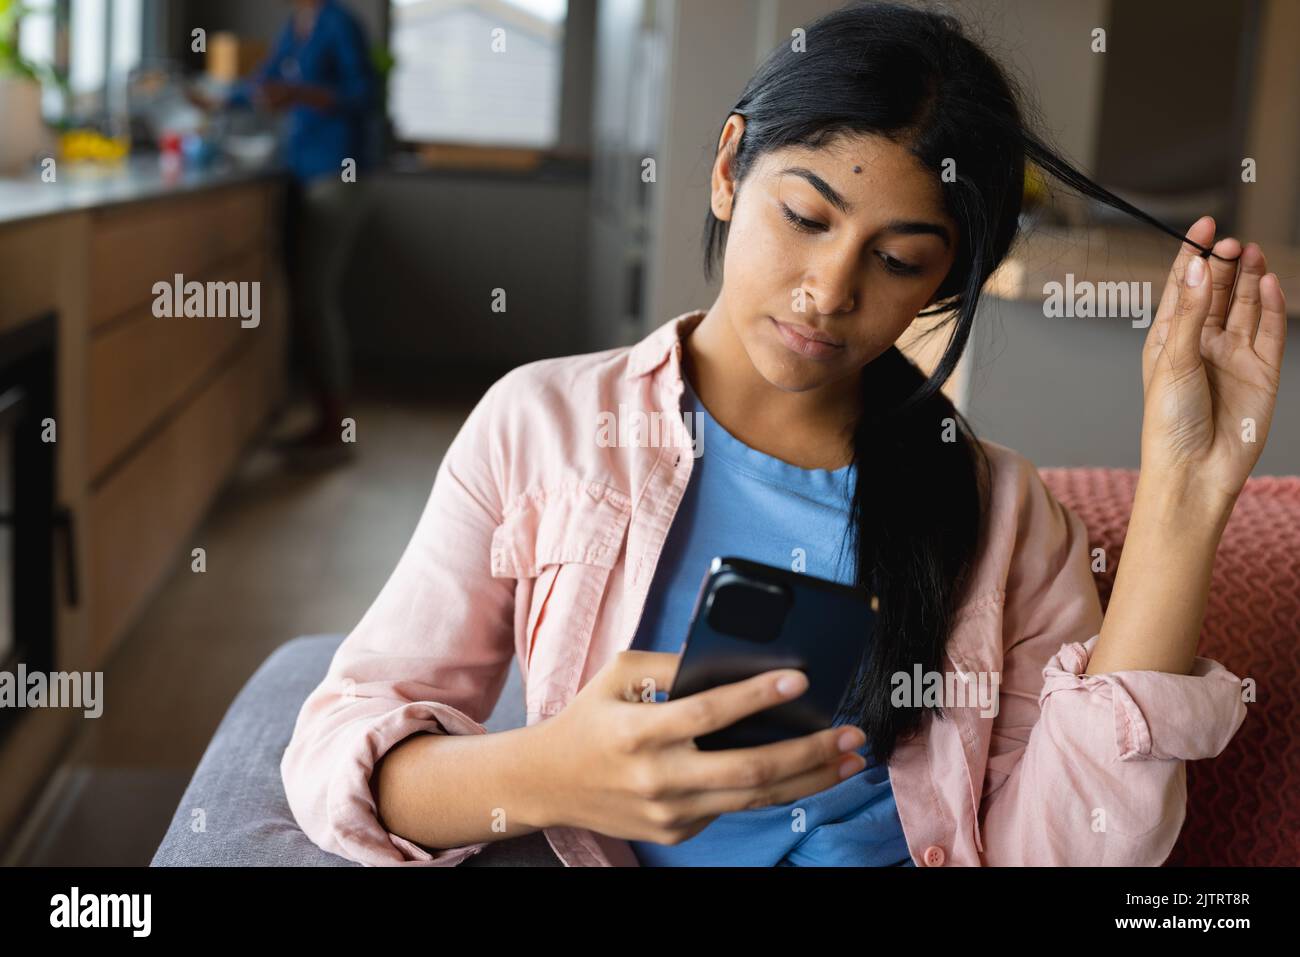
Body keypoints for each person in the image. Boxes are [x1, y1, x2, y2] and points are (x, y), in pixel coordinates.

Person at [280, 2, 1282, 866]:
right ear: (728, 169)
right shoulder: (544, 429)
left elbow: (1073, 850)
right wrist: (550, 775)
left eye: (896, 259)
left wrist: (1186, 497)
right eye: (805, 216)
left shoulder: (1004, 516)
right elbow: (337, 754)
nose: (828, 291)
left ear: (943, 281)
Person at [204, 0, 377, 457]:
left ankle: (335, 427)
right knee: (304, 295)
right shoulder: (295, 27)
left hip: (338, 174)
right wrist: (217, 97)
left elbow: (365, 96)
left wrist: (300, 95)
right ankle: (321, 418)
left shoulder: (338, 24)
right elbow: (264, 84)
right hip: (304, 174)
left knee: (314, 295)